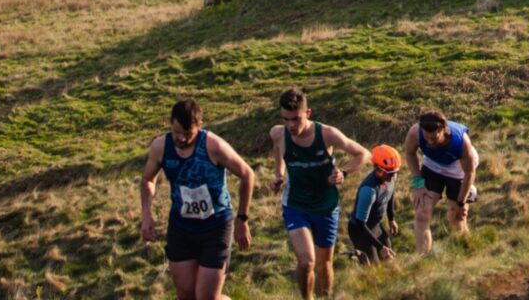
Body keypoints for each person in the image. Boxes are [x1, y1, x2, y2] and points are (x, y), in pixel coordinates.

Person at [139, 99, 257, 300]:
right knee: (186, 295)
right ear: (170, 124)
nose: (182, 139)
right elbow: (147, 179)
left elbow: (247, 174)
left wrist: (242, 219)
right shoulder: (160, 146)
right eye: (177, 133)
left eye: (188, 134)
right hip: (182, 226)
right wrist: (146, 215)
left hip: (216, 226)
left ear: (199, 127)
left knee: (206, 297)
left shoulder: (214, 146)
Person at [269, 88, 369, 299]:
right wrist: (279, 173)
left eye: (295, 119)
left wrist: (344, 172)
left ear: (308, 113)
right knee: (306, 262)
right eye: (286, 119)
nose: (291, 125)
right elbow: (278, 148)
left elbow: (363, 154)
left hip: (326, 206)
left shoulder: (326, 134)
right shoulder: (278, 133)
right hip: (296, 206)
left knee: (324, 266)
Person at [404, 109, 479, 254]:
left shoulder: (461, 142)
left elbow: (469, 173)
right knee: (421, 213)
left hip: (458, 169)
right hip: (433, 165)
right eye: (427, 138)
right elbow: (409, 153)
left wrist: (460, 203)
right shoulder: (415, 133)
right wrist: (418, 185)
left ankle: (467, 253)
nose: (430, 142)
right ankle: (423, 260)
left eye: (434, 138)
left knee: (456, 217)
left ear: (444, 130)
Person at [348, 144, 402, 265]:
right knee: (373, 267)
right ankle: (358, 258)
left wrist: (391, 218)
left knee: (389, 261)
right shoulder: (369, 190)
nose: (393, 176)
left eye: (395, 172)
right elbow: (360, 224)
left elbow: (390, 193)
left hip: (375, 225)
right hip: (360, 230)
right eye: (390, 173)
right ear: (378, 170)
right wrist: (380, 247)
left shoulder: (391, 176)